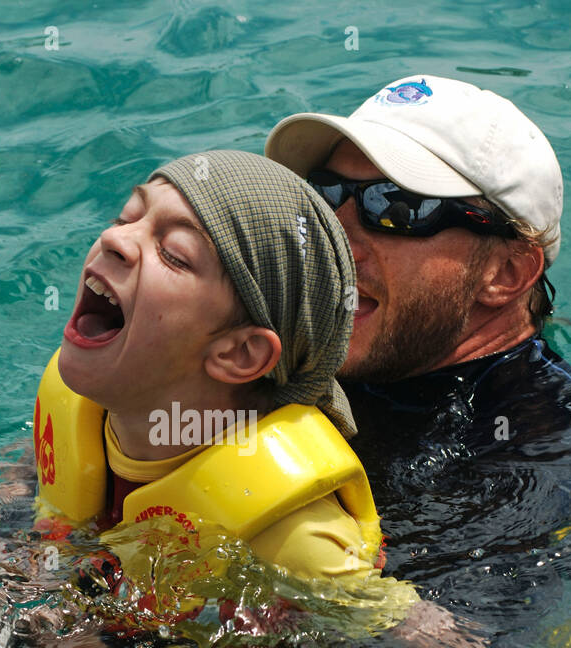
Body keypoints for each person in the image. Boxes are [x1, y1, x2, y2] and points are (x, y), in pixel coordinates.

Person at [265, 74, 571, 636]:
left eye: (397, 208)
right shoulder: (280, 355)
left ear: (505, 274)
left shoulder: (537, 470)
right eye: (326, 195)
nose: (337, 234)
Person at [33, 149, 390, 587]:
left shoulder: (302, 544)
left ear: (240, 354)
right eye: (127, 218)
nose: (115, 240)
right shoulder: (82, 417)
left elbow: (415, 640)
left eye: (174, 255)